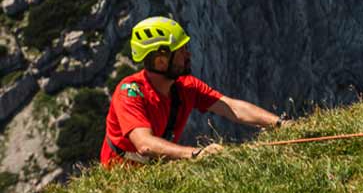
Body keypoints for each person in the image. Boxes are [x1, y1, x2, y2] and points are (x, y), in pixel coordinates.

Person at [100, 17, 285, 165]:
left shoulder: (186, 86)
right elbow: (145, 144)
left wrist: (279, 124)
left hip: (157, 169)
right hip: (122, 179)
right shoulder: (130, 92)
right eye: (181, 51)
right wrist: (196, 153)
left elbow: (231, 107)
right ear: (161, 62)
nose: (188, 55)